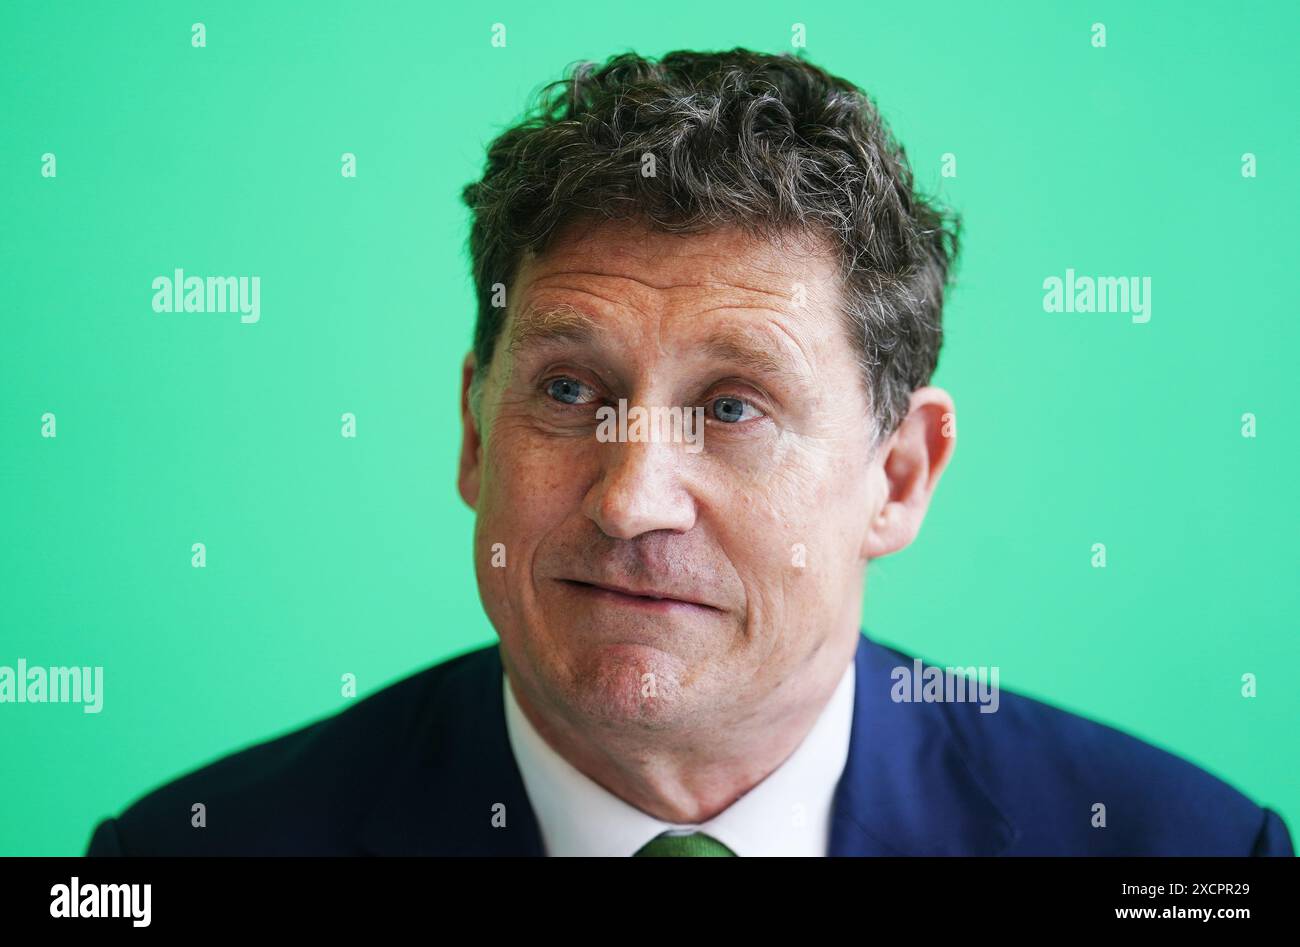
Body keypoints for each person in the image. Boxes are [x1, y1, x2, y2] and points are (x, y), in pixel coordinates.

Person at [87, 48, 1292, 857]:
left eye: (733, 406)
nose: (630, 502)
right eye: (568, 389)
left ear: (898, 474)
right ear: (472, 429)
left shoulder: (1176, 854)